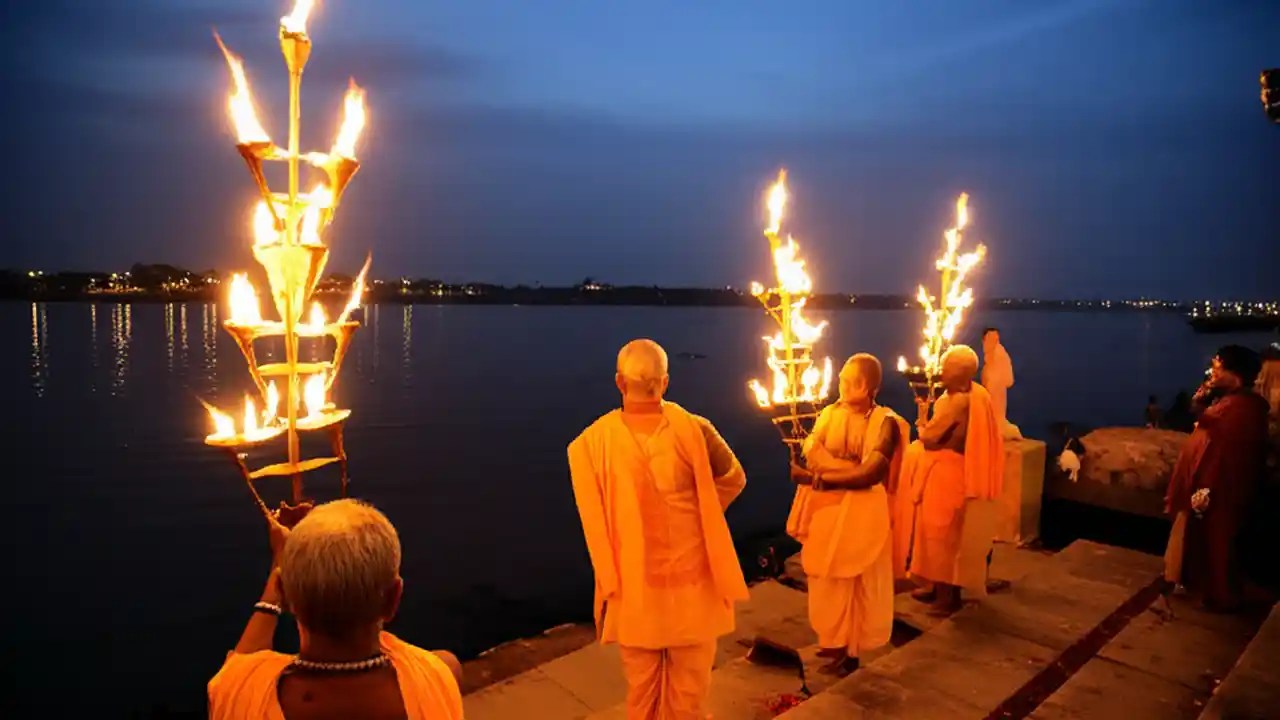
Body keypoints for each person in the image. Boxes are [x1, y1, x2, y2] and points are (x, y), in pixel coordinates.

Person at [567, 339, 749, 720]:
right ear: (665, 383)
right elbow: (734, 478)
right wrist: (704, 516)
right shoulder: (697, 429)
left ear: (619, 382)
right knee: (689, 695)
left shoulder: (590, 443)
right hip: (694, 589)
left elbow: (593, 516)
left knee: (642, 692)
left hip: (635, 591)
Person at [208, 500, 464, 720]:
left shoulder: (237, 692)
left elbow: (236, 671)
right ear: (394, 598)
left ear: (284, 595)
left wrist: (281, 563)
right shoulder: (440, 675)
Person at [787, 354, 909, 676]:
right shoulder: (829, 413)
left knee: (858, 581)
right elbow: (808, 451)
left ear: (867, 386)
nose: (840, 385)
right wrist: (837, 468)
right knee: (826, 580)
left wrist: (820, 475)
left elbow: (870, 474)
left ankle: (851, 651)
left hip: (863, 511)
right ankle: (832, 642)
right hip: (827, 510)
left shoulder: (885, 422)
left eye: (849, 381)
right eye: (840, 379)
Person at [1164, 346, 1269, 611]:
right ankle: (1207, 588)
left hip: (1222, 486)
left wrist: (1207, 486)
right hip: (1210, 483)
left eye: (1218, 367)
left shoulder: (1243, 408)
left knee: (1219, 541)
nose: (1212, 372)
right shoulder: (1226, 402)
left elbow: (1227, 448)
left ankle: (1223, 595)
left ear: (1234, 374)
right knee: (1204, 539)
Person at [902, 345, 1004, 615]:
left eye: (945, 369)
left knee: (942, 536)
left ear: (959, 374)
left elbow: (930, 438)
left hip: (948, 471)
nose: (939, 372)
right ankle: (934, 586)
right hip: (943, 470)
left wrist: (922, 419)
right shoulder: (971, 394)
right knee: (932, 533)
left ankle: (948, 597)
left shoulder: (959, 401)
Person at [980, 328, 1016, 435]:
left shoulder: (1001, 354)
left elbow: (1009, 380)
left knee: (996, 411)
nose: (992, 341)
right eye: (989, 338)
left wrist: (996, 382)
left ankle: (996, 430)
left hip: (997, 387)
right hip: (991, 385)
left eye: (995, 338)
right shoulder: (989, 354)